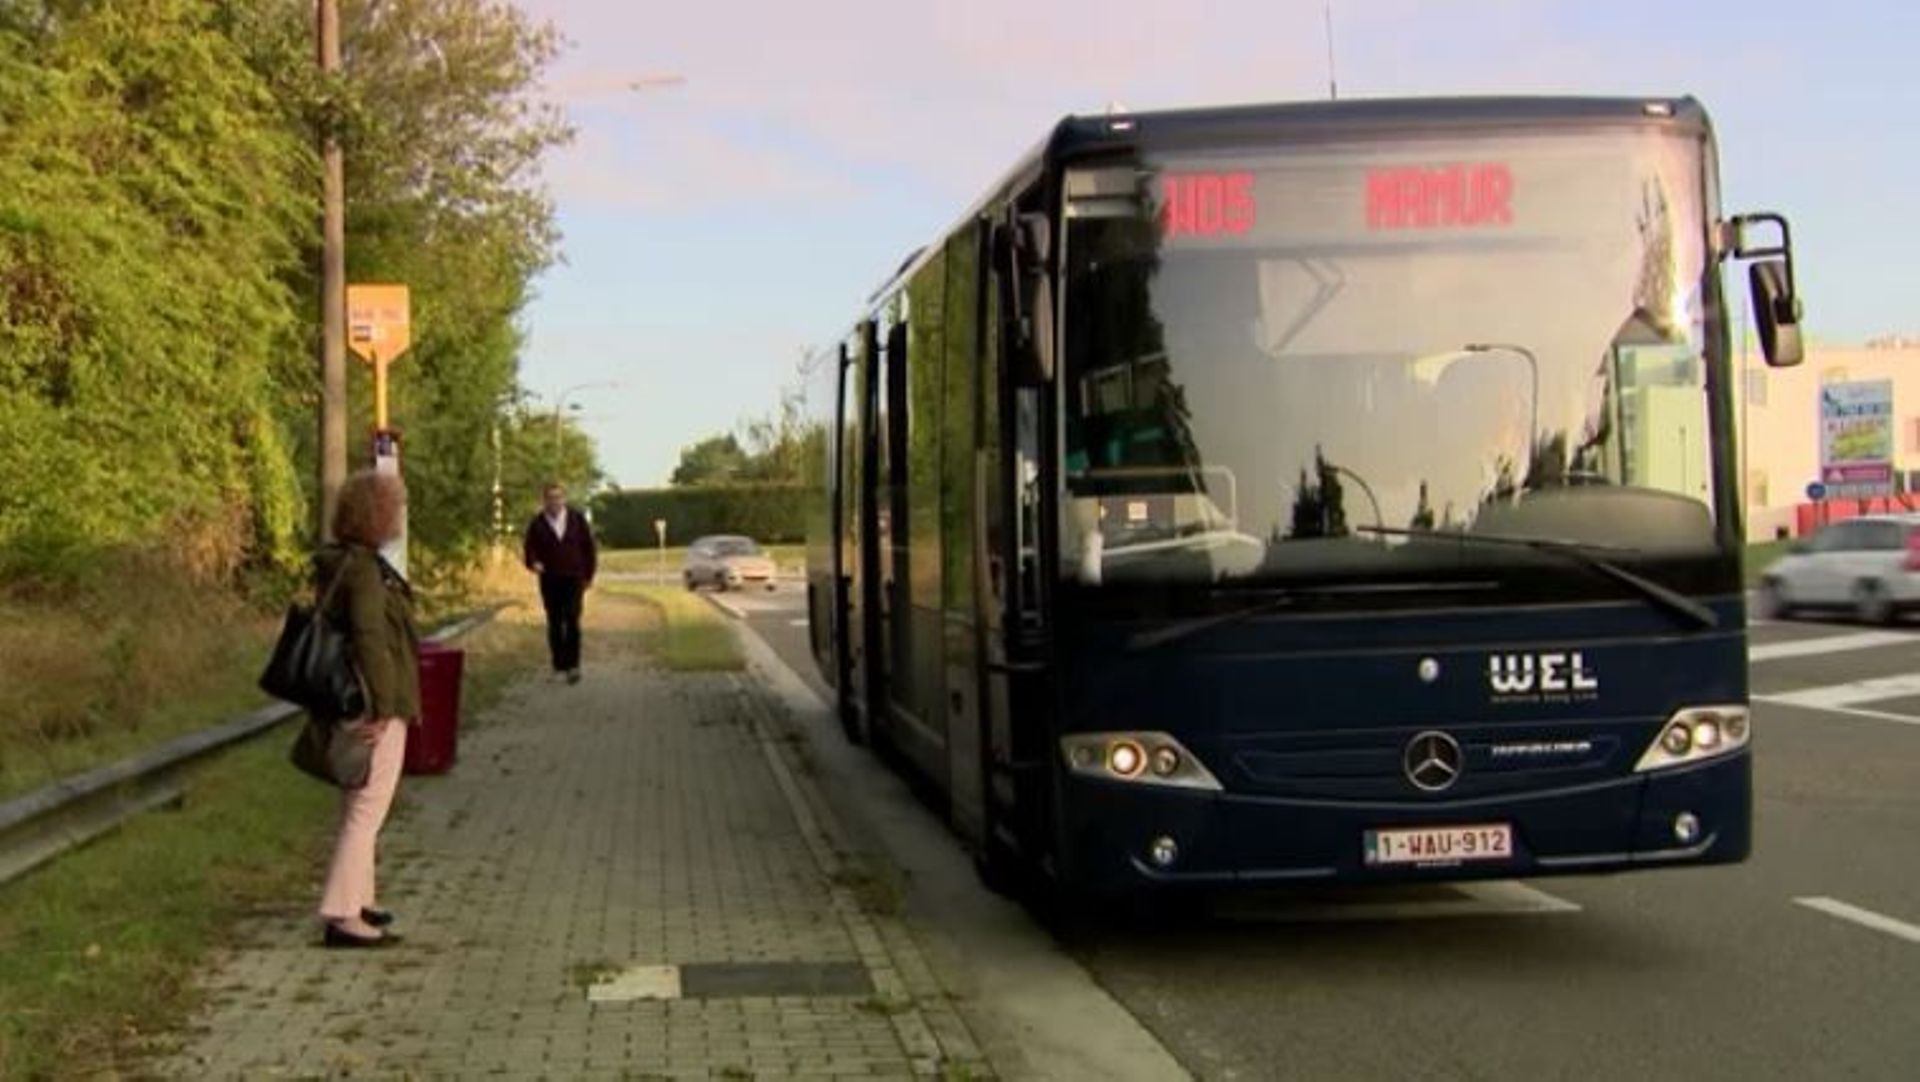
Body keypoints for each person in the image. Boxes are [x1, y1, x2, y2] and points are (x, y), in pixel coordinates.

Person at [314, 469, 419, 949]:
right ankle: (341, 913)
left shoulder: (341, 562)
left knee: (358, 802)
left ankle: (360, 899)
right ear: (376, 515)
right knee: (368, 808)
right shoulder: (364, 571)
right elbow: (371, 638)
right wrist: (382, 704)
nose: (398, 515)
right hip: (372, 702)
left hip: (346, 698)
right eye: (393, 507)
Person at [522, 481, 597, 683]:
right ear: (544, 500)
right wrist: (534, 563)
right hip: (550, 580)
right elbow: (529, 550)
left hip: (574, 577)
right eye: (550, 498)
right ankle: (559, 666)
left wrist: (589, 576)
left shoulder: (576, 519)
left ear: (564, 498)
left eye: (558, 497)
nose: (554, 502)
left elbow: (589, 548)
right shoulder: (537, 523)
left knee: (572, 619)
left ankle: (573, 666)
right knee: (555, 622)